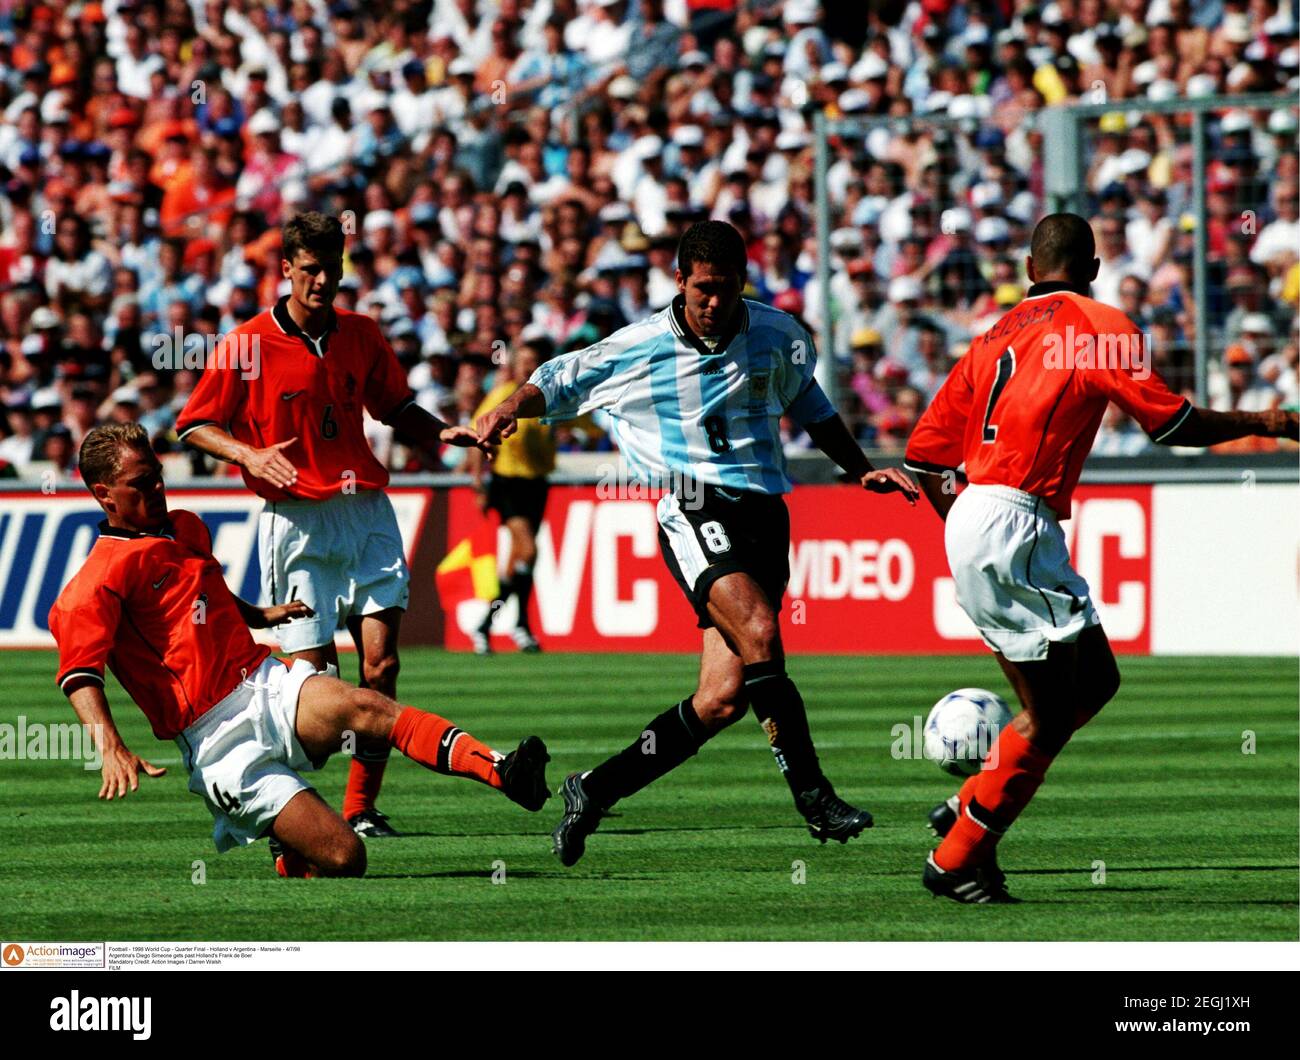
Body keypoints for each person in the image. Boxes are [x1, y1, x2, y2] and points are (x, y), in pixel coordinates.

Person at [476, 220, 919, 866]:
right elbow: (562, 377)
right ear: (679, 281)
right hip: (690, 503)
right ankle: (815, 798)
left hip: (765, 512)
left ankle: (592, 789)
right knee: (763, 632)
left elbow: (810, 403)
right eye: (704, 290)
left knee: (720, 700)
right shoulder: (641, 346)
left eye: (728, 290)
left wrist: (858, 469)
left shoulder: (778, 335)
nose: (716, 303)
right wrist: (506, 408)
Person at [904, 213, 1299, 904]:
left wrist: (968, 526)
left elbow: (922, 455)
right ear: (1091, 269)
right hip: (1015, 520)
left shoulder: (992, 335)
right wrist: (1268, 422)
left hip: (977, 514)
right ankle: (958, 855)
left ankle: (974, 800)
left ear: (1030, 269)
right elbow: (1172, 423)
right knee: (1055, 713)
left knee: (1093, 684)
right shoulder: (1097, 324)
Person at [50, 424, 550, 878]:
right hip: (218, 741)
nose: (157, 488)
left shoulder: (185, 526)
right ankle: (290, 849)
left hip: (263, 684)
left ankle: (503, 770)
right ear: (104, 495)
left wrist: (257, 615)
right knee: (346, 858)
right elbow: (79, 675)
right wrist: (109, 744)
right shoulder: (94, 584)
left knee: (369, 705)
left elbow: (202, 590)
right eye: (140, 483)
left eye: (157, 475)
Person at [175, 212, 489, 839]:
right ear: (285, 269)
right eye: (310, 269)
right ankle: (300, 825)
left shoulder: (362, 334)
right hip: (296, 522)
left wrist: (442, 432)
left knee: (383, 667)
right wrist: (249, 454)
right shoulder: (244, 346)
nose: (322, 280)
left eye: (332, 268)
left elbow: (393, 404)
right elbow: (191, 424)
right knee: (317, 690)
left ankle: (360, 809)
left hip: (366, 511)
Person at [465, 340, 556, 654]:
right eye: (525, 362)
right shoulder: (504, 395)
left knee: (517, 562)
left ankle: (491, 625)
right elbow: (480, 430)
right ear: (515, 365)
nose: (530, 368)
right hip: (507, 482)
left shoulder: (549, 395)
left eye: (535, 361)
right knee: (529, 551)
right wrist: (478, 483)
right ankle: (520, 625)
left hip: (536, 483)